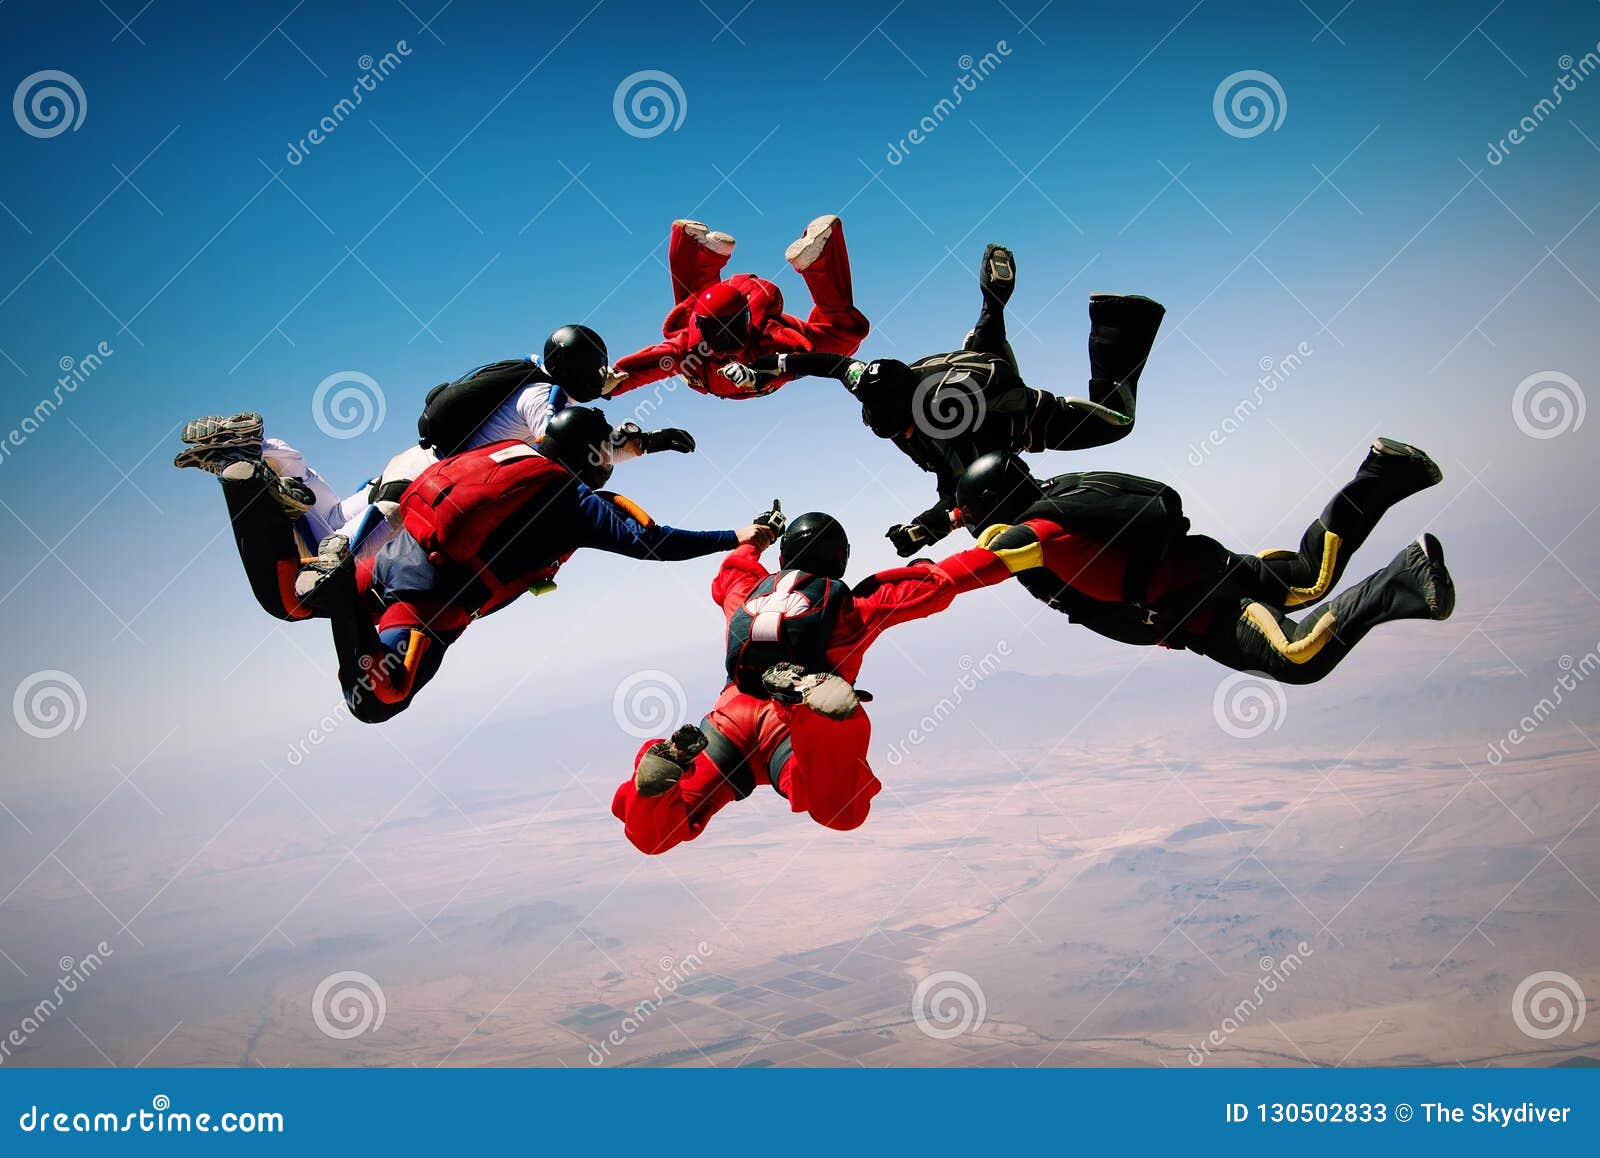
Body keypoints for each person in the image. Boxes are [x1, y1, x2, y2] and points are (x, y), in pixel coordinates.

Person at [173, 325, 697, 621]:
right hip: (423, 493)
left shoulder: (519, 371)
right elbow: (568, 442)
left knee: (328, 517)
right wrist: (638, 446)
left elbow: (576, 435)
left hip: (409, 466)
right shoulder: (542, 397)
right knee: (309, 594)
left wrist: (647, 442)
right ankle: (282, 494)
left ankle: (263, 450)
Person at [290, 407, 774, 724]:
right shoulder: (576, 504)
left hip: (387, 560)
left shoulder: (509, 453)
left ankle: (257, 495)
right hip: (427, 601)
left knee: (292, 601)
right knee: (378, 699)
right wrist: (736, 536)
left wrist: (648, 442)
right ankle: (338, 598)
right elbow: (653, 542)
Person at [719, 244, 1166, 555]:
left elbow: (962, 493)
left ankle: (1121, 319)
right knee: (989, 329)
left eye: (899, 427)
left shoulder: (946, 427)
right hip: (973, 361)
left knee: (1119, 422)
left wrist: (925, 530)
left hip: (1030, 415)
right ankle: (994, 303)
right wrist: (764, 370)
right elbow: (831, 364)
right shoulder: (877, 380)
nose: (896, 434)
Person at [610, 510, 996, 854]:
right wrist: (1010, 551)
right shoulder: (852, 608)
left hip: (728, 722)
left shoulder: (744, 594)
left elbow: (731, 570)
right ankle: (821, 714)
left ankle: (662, 770)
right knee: (842, 811)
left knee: (654, 838)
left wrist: (758, 539)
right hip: (789, 726)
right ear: (841, 560)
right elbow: (942, 582)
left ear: (783, 559)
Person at [946, 439, 1456, 685]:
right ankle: (1387, 471)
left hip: (1210, 606)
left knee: (1299, 656)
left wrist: (896, 592)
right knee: (1309, 576)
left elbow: (979, 561)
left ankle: (1407, 574)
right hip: (1210, 577)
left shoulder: (1037, 535)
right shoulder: (1056, 502)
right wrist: (937, 521)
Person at [607, 217, 870, 400]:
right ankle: (818, 259)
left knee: (842, 337)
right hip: (745, 330)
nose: (724, 343)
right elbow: (649, 364)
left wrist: (614, 381)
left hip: (752, 330)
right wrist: (613, 380)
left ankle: (696, 251)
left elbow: (650, 364)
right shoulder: (691, 347)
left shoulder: (758, 341)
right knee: (843, 334)